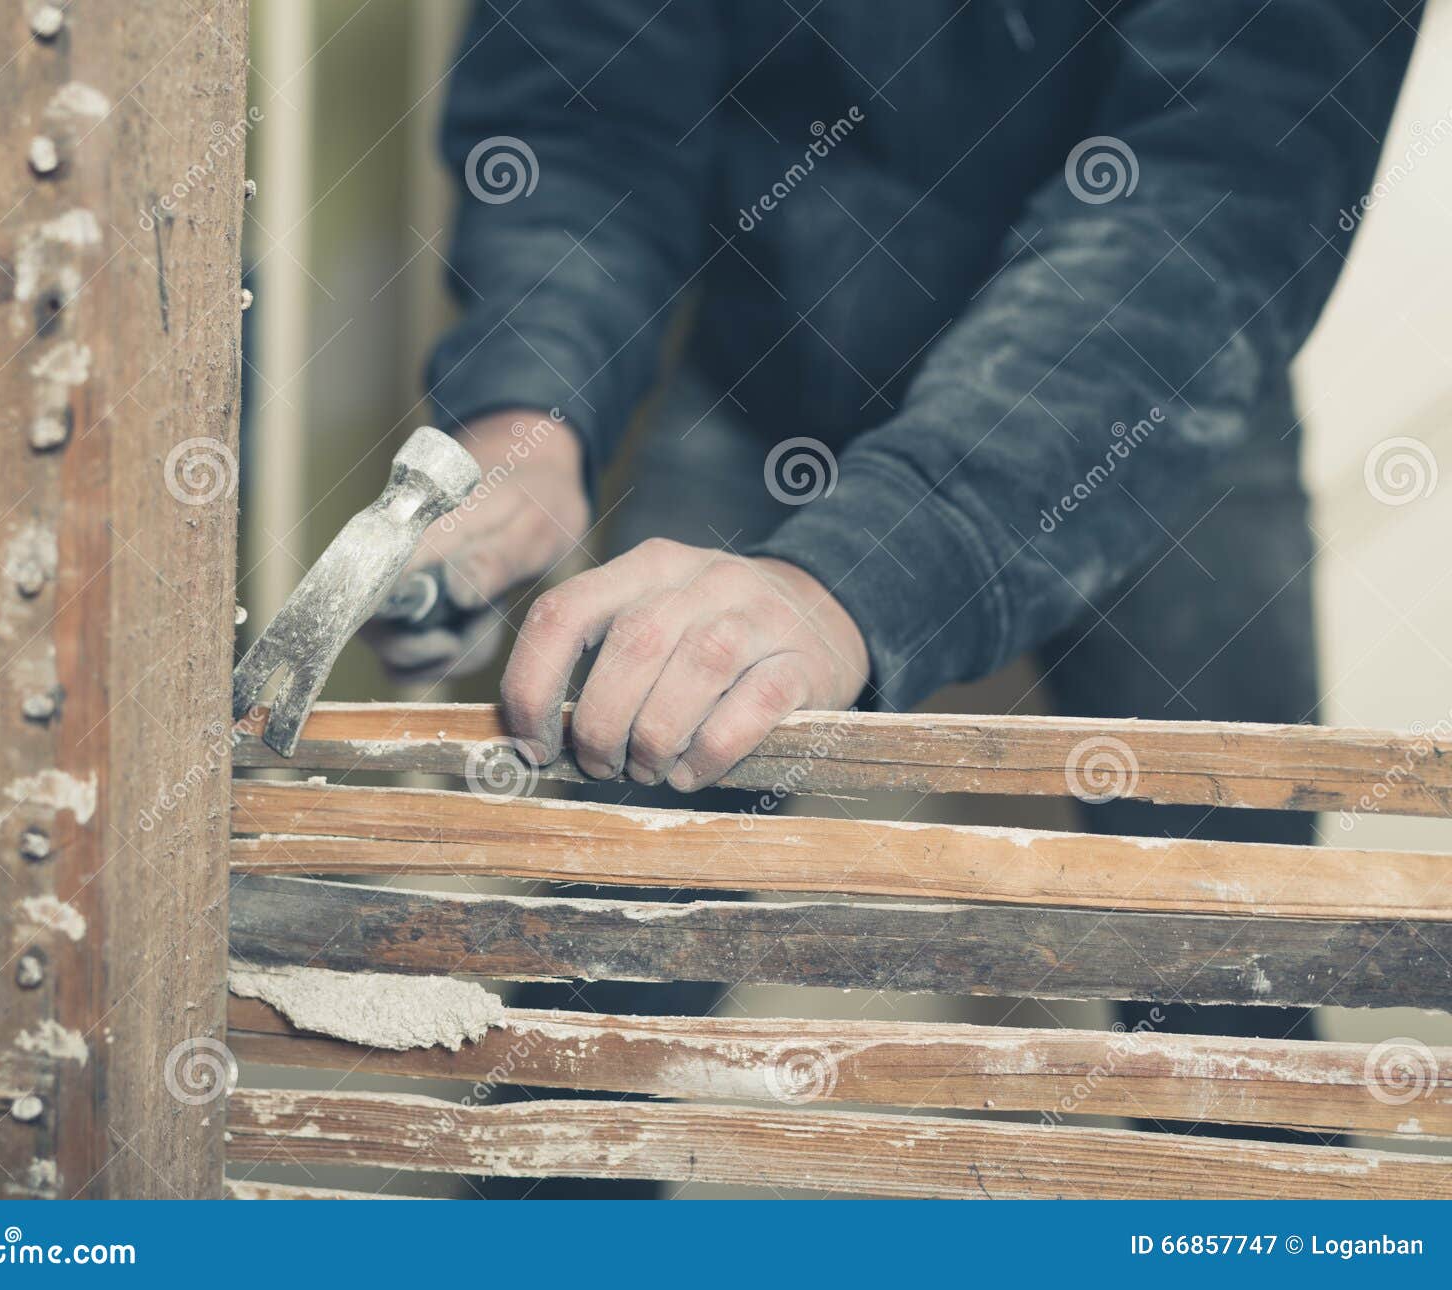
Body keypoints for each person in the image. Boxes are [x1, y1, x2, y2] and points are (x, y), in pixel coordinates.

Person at [367, 1, 1420, 1194]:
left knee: (1235, 980)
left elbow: (1218, 187)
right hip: (778, 361)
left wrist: (857, 573)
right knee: (599, 992)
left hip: (1142, 399)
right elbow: (586, 105)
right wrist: (527, 410)